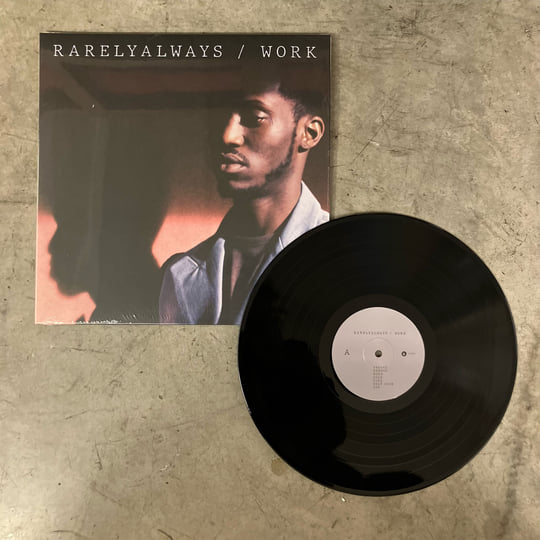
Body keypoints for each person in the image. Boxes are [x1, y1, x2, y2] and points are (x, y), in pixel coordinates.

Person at [159, 70, 328, 324]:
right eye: (218, 115)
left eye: (254, 118)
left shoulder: (344, 254)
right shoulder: (178, 274)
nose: (228, 136)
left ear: (309, 133)